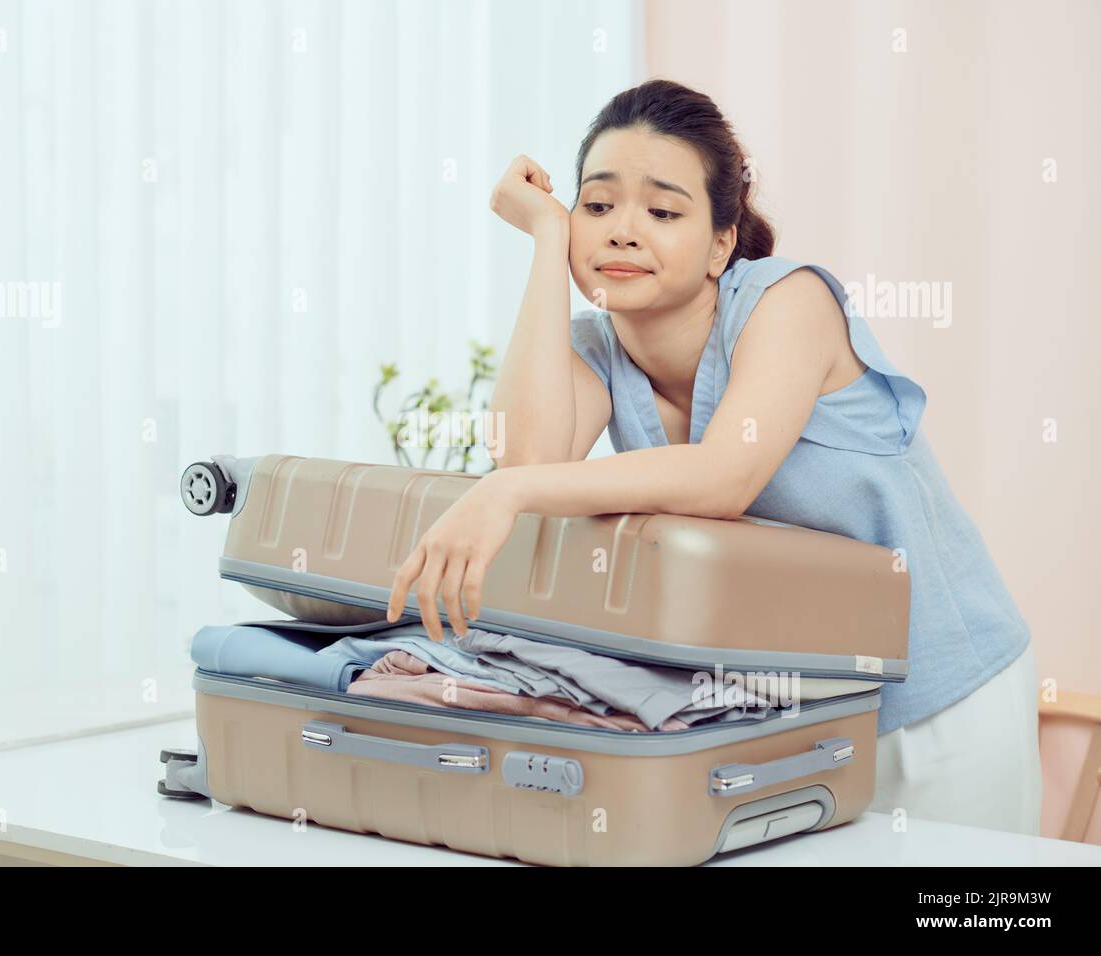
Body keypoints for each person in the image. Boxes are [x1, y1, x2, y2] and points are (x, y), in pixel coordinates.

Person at [383, 78, 1041, 836]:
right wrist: (542, 242)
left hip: (946, 694)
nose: (624, 232)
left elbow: (728, 475)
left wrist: (512, 493)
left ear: (721, 242)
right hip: (803, 707)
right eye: (597, 207)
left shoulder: (785, 301)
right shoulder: (596, 351)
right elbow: (526, 460)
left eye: (663, 211)